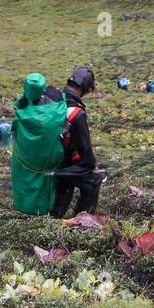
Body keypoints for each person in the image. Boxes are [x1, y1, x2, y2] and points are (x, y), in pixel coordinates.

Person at [49, 66, 100, 218]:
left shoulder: (54, 102)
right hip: (67, 163)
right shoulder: (77, 113)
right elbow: (85, 147)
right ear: (86, 88)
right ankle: (83, 219)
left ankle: (54, 219)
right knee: (93, 179)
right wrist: (93, 167)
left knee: (64, 187)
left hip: (51, 160)